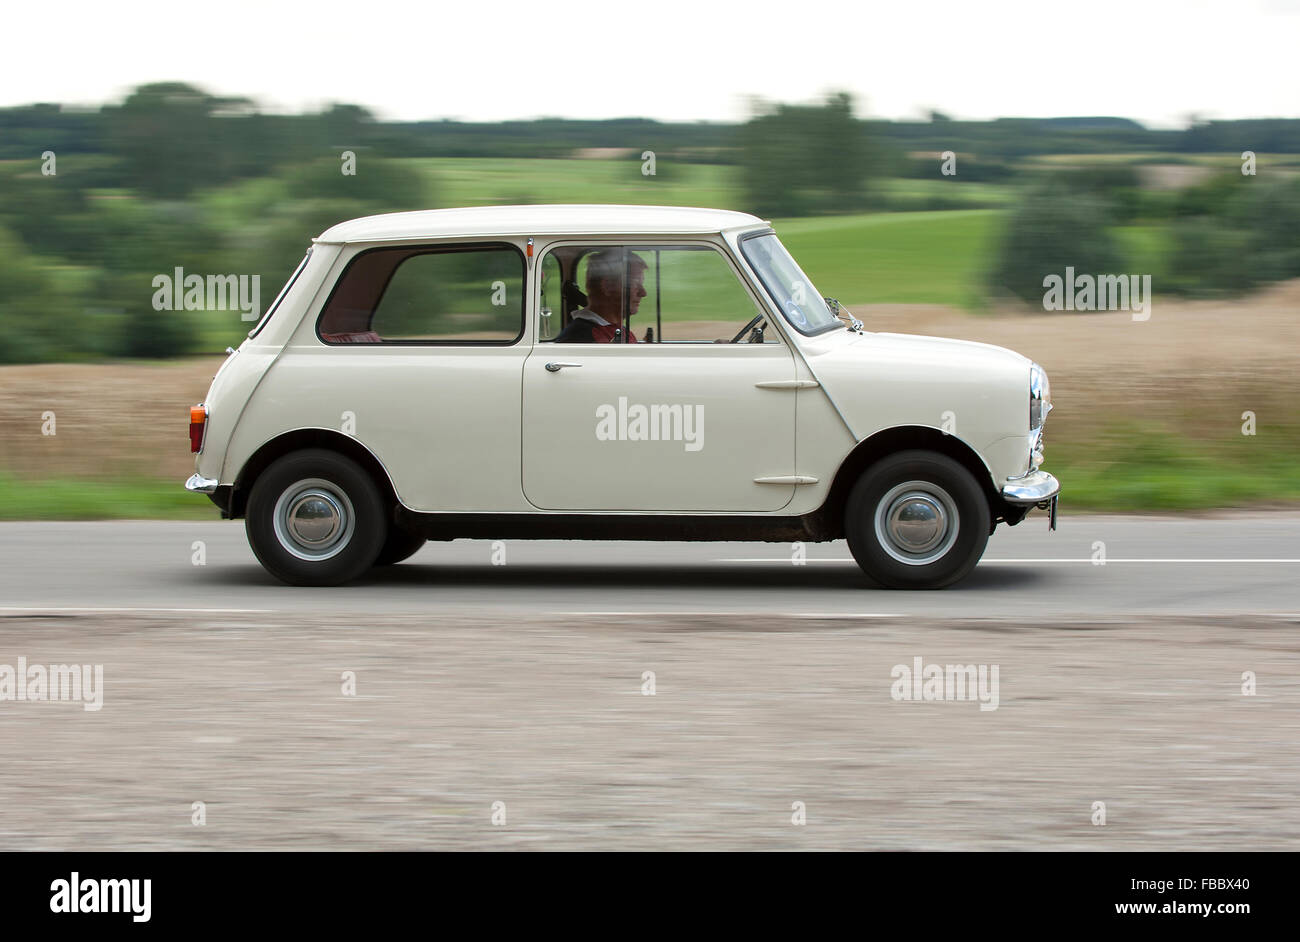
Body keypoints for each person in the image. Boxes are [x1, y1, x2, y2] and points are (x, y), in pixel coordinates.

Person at [554, 249, 647, 343]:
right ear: (607, 286)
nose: (643, 293)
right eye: (635, 283)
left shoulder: (615, 330)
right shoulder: (581, 338)